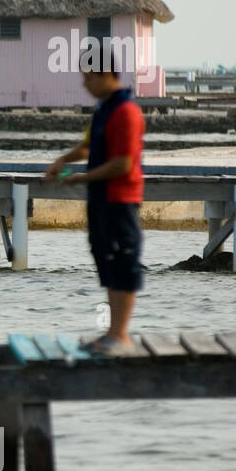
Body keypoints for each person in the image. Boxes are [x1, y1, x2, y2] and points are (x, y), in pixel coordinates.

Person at [44, 43, 145, 355]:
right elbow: (88, 147)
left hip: (121, 199)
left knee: (124, 262)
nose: (84, 84)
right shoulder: (104, 109)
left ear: (106, 74)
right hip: (101, 199)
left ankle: (121, 335)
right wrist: (63, 160)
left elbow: (123, 164)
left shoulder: (126, 111)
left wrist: (80, 178)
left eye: (88, 78)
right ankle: (111, 334)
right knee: (106, 261)